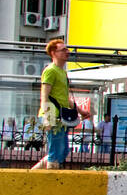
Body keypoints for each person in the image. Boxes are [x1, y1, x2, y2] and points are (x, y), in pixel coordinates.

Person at [31, 38, 87, 170]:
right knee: (56, 151)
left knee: (62, 151)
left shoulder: (62, 72)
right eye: (63, 50)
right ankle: (49, 175)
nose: (67, 52)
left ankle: (32, 174)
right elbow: (44, 94)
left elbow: (64, 98)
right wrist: (47, 117)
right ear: (53, 53)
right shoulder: (51, 70)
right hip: (52, 115)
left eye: (67, 49)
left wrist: (80, 111)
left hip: (61, 116)